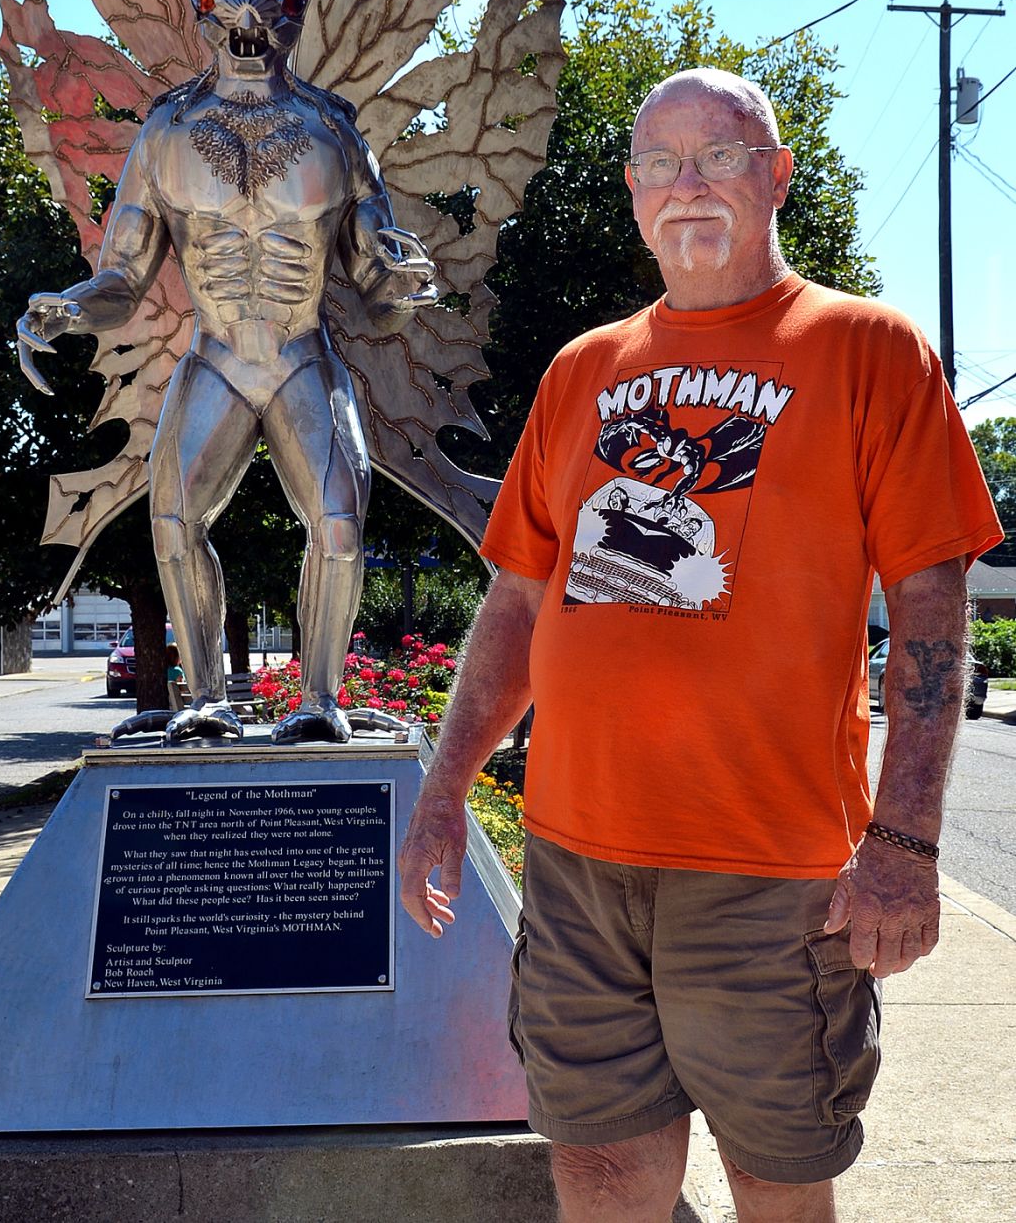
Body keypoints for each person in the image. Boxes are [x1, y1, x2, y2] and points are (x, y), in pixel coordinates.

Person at [398, 67, 1001, 1223]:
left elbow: (931, 604)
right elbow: (520, 605)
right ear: (631, 191)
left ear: (773, 175)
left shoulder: (867, 348)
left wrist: (906, 842)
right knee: (597, 1171)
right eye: (662, 162)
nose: (689, 184)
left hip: (773, 875)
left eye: (719, 154)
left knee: (774, 1182)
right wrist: (443, 788)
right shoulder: (582, 369)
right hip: (579, 863)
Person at [17, 0, 436, 746]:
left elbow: (374, 278)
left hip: (299, 353)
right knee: (170, 520)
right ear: (204, 16)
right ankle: (203, 698)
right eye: (229, 16)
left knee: (341, 525)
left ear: (296, 15)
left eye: (267, 16)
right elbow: (123, 280)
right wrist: (70, 307)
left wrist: (399, 285)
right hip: (213, 356)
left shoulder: (333, 132)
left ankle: (319, 700)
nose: (249, 32)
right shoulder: (166, 132)